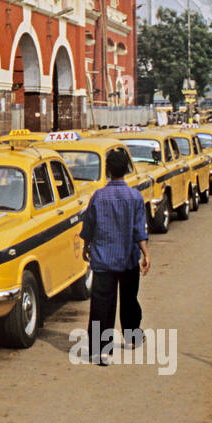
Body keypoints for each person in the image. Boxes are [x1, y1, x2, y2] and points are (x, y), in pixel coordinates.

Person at [80, 147, 151, 365]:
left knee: (102, 304)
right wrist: (146, 254)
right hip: (128, 259)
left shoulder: (98, 197)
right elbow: (139, 230)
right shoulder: (135, 196)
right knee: (129, 298)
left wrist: (86, 245)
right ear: (127, 169)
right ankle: (131, 338)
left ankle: (101, 351)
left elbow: (89, 225)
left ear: (108, 169)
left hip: (103, 260)